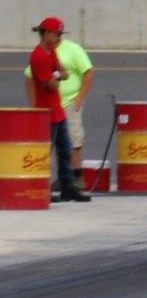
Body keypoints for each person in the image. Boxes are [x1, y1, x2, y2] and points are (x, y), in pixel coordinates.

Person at [27, 17, 91, 202]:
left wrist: (56, 74)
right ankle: (41, 188)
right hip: (47, 110)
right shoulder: (38, 56)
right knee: (46, 150)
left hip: (58, 110)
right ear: (47, 33)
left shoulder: (52, 51)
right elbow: (52, 85)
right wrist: (57, 75)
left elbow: (64, 73)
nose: (59, 38)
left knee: (65, 148)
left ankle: (67, 186)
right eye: (57, 34)